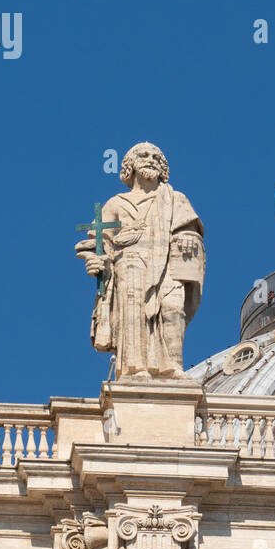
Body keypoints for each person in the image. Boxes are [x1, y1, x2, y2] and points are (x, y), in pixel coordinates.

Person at [76, 142, 204, 379]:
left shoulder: (175, 199)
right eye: (143, 155)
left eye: (156, 156)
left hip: (168, 261)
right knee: (134, 315)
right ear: (130, 164)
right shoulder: (116, 203)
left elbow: (190, 231)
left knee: (173, 308)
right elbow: (99, 240)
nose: (151, 159)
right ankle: (136, 369)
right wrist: (98, 261)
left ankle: (173, 366)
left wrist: (188, 238)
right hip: (130, 263)